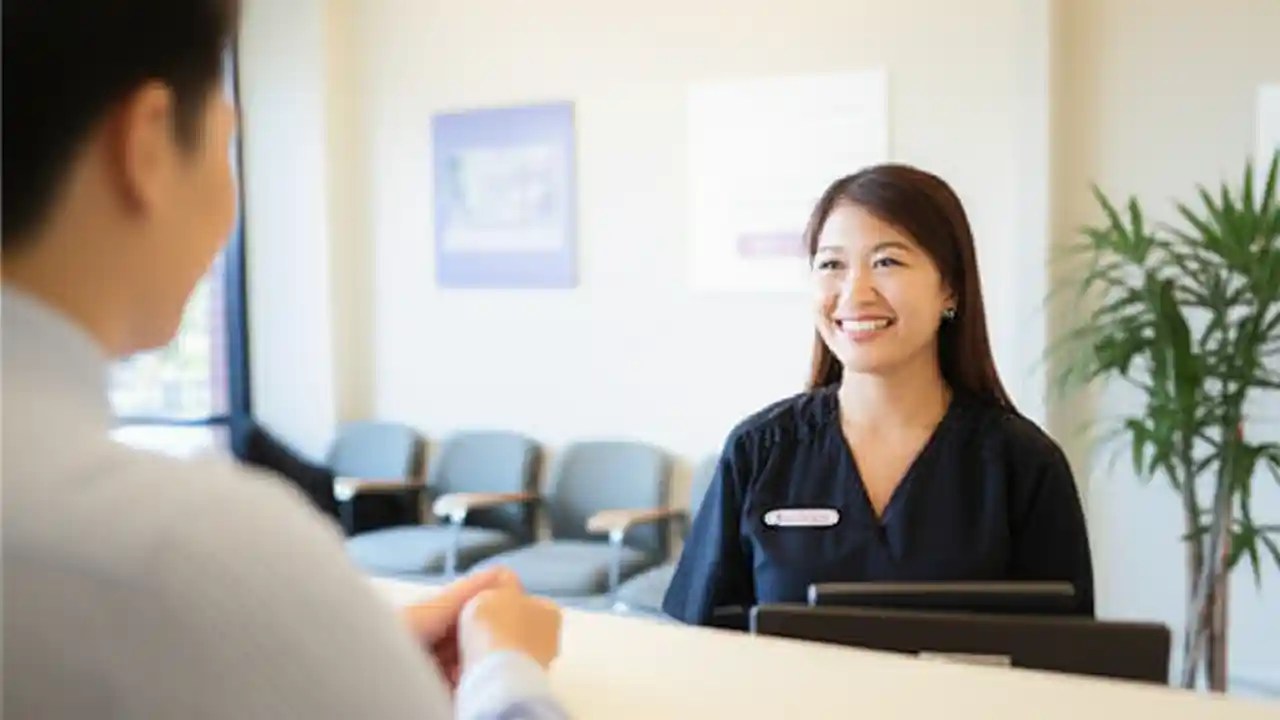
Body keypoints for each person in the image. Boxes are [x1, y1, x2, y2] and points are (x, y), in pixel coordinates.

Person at [1, 2, 568, 718]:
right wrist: (505, 669)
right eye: (227, 141)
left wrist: (323, 656)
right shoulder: (190, 557)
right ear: (145, 146)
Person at [663, 164, 1095, 625]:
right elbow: (698, 640)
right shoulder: (760, 453)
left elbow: (1064, 668)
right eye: (831, 264)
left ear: (950, 288)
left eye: (887, 261)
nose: (855, 292)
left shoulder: (1023, 467)